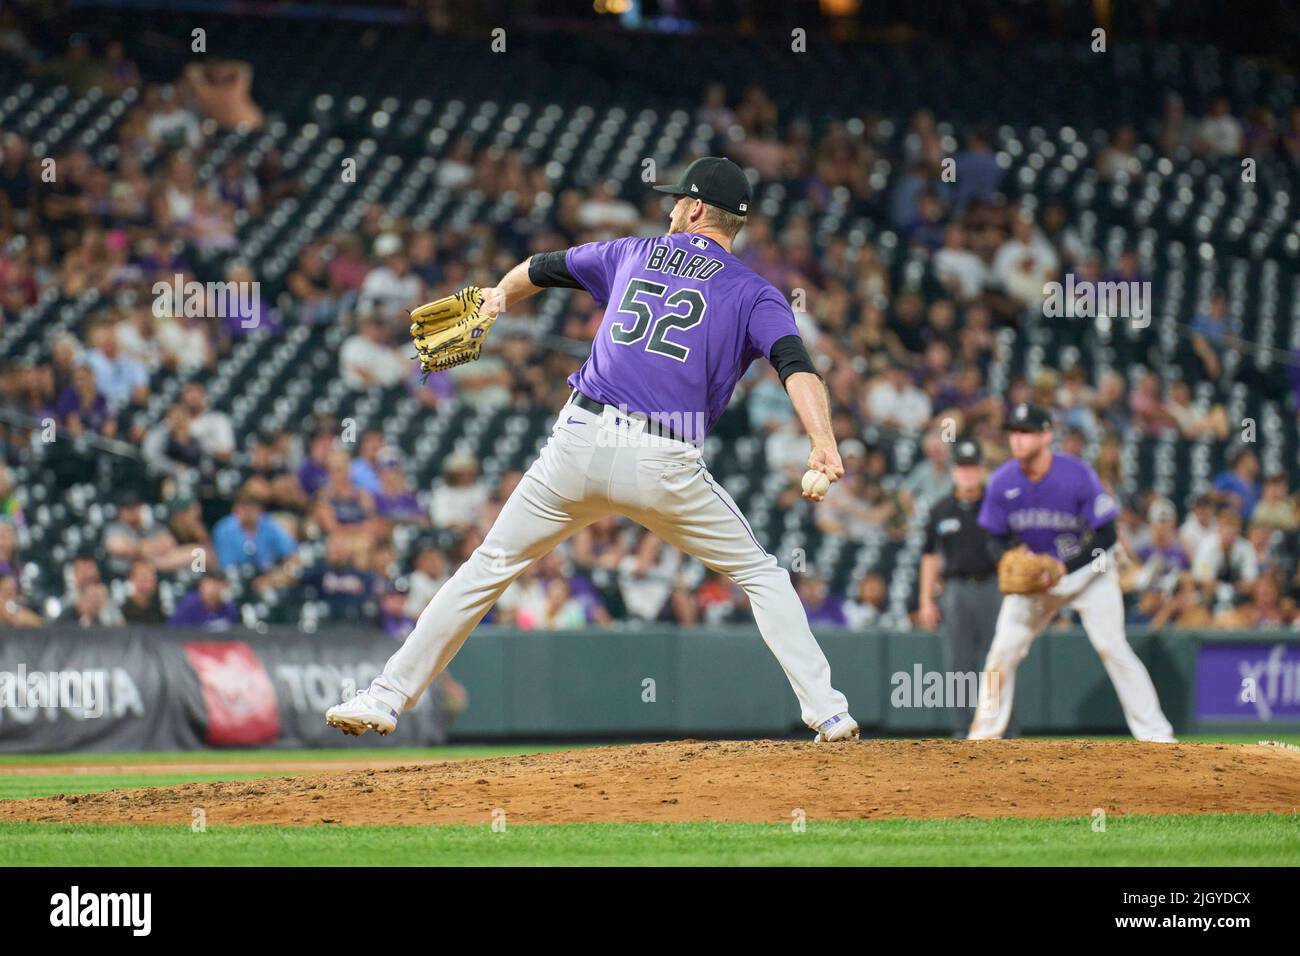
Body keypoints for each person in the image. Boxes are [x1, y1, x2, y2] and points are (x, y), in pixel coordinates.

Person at [328, 156, 857, 742]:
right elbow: (796, 366)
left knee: (487, 568)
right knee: (762, 575)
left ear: (697, 208)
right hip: (663, 459)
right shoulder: (755, 293)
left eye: (679, 199)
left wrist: (500, 296)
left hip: (578, 443)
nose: (671, 206)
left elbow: (541, 267)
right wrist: (822, 442)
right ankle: (827, 711)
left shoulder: (630, 252)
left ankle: (384, 695)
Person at [967, 404, 1175, 742]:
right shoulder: (1002, 481)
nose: (1017, 439)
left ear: (1046, 435)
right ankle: (983, 736)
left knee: (1112, 647)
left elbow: (1106, 536)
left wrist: (1066, 567)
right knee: (1001, 652)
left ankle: (1157, 734)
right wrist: (1008, 556)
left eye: (1026, 431)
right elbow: (994, 537)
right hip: (1035, 579)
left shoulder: (1077, 474)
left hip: (1087, 575)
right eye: (1013, 432)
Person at [917, 438, 1004, 738]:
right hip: (955, 590)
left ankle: (1002, 728)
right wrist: (926, 600)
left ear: (981, 470)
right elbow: (929, 555)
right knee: (959, 665)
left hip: (993, 588)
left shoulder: (995, 507)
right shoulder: (941, 509)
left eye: (973, 467)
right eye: (963, 467)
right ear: (955, 471)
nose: (967, 473)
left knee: (1000, 660)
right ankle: (962, 730)